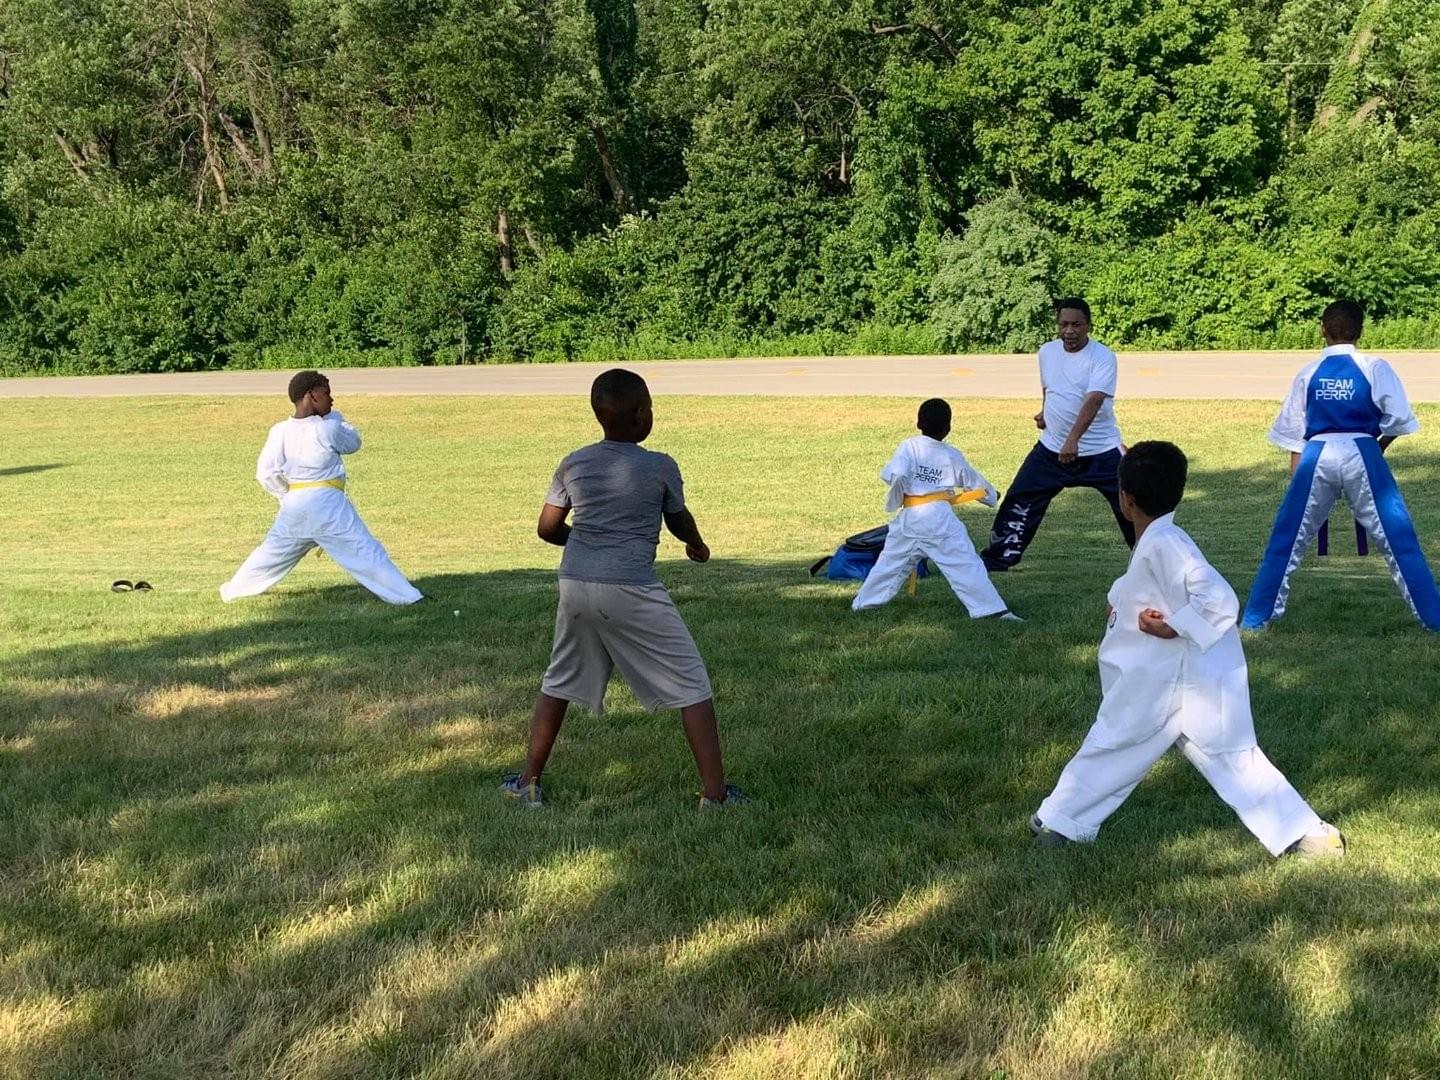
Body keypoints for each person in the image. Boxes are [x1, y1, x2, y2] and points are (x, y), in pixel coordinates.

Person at [1031, 441, 1345, 859]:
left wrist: (1173, 629)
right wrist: (1121, 595)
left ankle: (1060, 820)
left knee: (1119, 741)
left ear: (1126, 501)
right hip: (1186, 676)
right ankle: (1308, 835)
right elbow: (1152, 583)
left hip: (1172, 678)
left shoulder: (1167, 544)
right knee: (1220, 757)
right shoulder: (1161, 540)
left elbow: (1219, 601)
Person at [502, 368, 748, 810]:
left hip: (575, 584)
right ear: (641, 416)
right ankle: (716, 795)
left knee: (557, 681)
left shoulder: (573, 463)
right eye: (649, 407)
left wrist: (582, 541)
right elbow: (678, 518)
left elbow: (547, 528)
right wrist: (697, 544)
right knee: (692, 684)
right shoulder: (659, 466)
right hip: (631, 587)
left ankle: (528, 784)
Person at [1242, 300, 1440, 631]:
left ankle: (1254, 619)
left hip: (1316, 454)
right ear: (1360, 330)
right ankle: (1433, 619)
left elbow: (1293, 437)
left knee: (1286, 539)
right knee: (1398, 537)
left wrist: (1298, 486)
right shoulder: (1375, 367)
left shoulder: (1307, 373)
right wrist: (1377, 447)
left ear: (1323, 329)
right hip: (1363, 450)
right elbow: (1398, 418)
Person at [219, 371, 423, 605]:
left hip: (295, 505)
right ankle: (408, 597)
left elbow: (266, 473)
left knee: (269, 555)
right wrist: (335, 417)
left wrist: (285, 495)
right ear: (311, 396)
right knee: (366, 551)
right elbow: (353, 442)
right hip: (328, 506)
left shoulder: (280, 431)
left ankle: (233, 591)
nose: (332, 399)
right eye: (326, 393)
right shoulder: (327, 427)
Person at [979, 299, 1134, 571]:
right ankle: (996, 560)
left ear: (1088, 326)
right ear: (1057, 325)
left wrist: (1072, 440)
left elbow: (1094, 399)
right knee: (1020, 498)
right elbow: (1051, 387)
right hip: (1051, 450)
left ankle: (1150, 559)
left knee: (1135, 503)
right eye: (1064, 324)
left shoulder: (1102, 356)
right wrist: (1045, 412)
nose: (1069, 331)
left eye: (1076, 324)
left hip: (1101, 452)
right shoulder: (1047, 352)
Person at [852, 398, 1020, 620]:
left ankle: (863, 604)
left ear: (918, 423)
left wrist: (899, 490)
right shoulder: (951, 454)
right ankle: (991, 610)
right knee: (963, 563)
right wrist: (991, 495)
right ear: (948, 428)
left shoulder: (909, 446)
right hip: (939, 519)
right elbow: (971, 479)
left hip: (910, 518)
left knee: (889, 563)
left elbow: (895, 474)